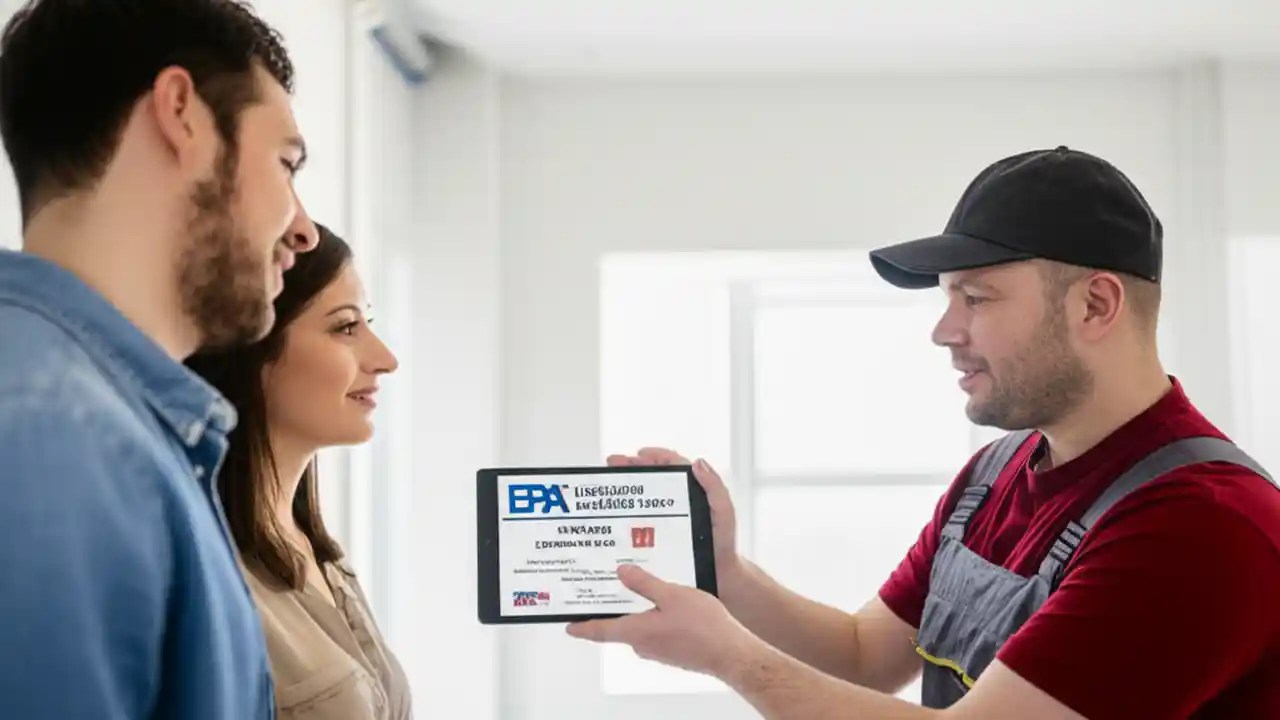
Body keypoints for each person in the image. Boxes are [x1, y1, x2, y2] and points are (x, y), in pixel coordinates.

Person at [568, 147, 1280, 719]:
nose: (944, 331)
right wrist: (724, 570)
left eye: (977, 297)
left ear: (1095, 305)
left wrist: (728, 655)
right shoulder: (995, 474)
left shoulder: (1203, 525)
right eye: (948, 298)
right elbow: (863, 655)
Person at [0, 1, 319, 718]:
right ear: (181, 113)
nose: (303, 230)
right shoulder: (54, 438)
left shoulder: (120, 430)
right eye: (286, 164)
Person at [187, 225, 408, 720]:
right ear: (254, 347)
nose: (386, 360)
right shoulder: (205, 570)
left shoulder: (322, 556)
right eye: (346, 327)